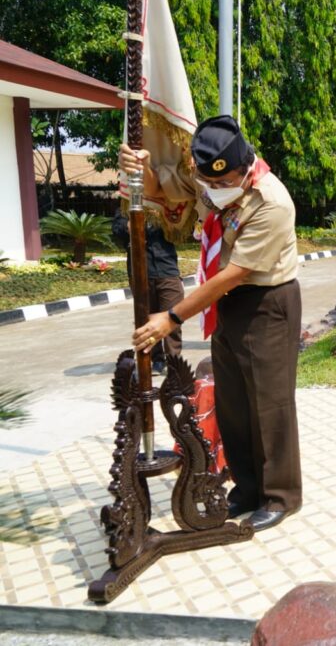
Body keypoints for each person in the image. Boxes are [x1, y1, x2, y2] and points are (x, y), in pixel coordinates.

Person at [120, 114, 302, 533]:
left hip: (266, 303)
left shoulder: (271, 202)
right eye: (209, 181)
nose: (215, 188)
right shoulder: (204, 178)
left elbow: (234, 273)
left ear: (245, 165)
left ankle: (280, 496)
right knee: (233, 403)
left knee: (269, 403)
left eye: (225, 181)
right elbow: (161, 190)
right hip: (227, 304)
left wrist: (172, 317)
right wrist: (141, 167)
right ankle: (247, 488)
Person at [111, 214, 184, 375]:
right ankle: (157, 360)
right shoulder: (127, 208)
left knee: (173, 317)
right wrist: (130, 225)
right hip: (139, 271)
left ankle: (174, 362)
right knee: (147, 319)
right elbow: (117, 230)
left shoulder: (165, 207)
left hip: (167, 269)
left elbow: (180, 228)